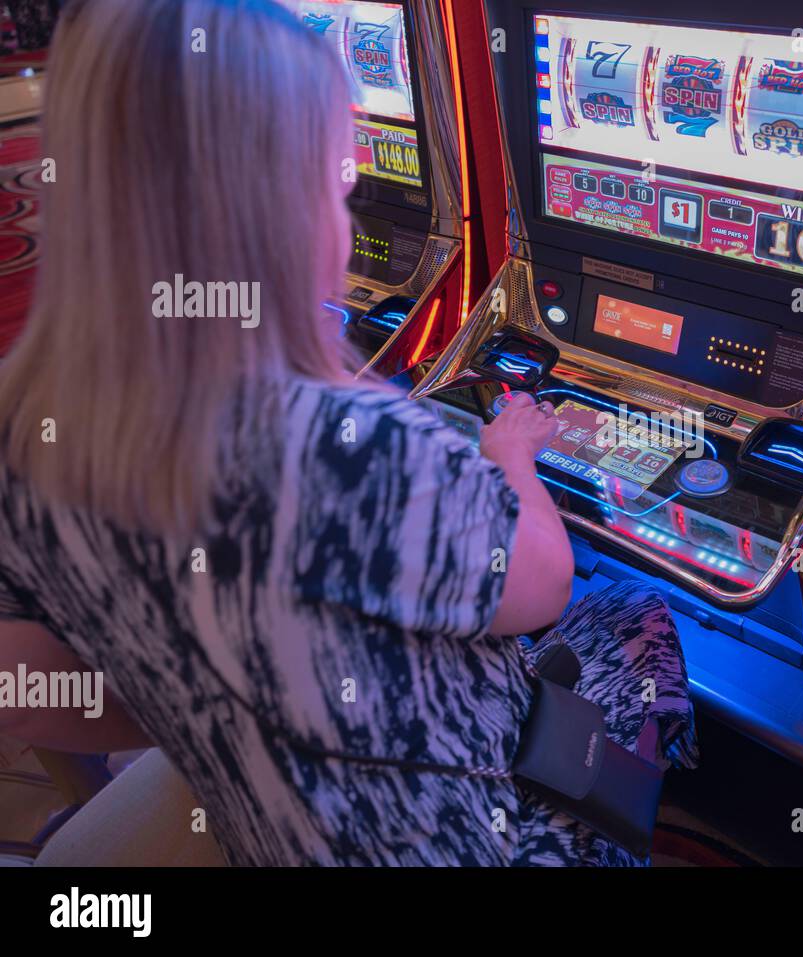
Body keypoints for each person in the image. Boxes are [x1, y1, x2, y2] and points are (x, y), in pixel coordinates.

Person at [0, 0, 695, 866]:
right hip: (473, 844)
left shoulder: (29, 437)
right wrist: (507, 454)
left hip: (281, 839)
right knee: (634, 611)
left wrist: (217, 690)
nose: (350, 223)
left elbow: (19, 689)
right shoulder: (346, 448)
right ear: (272, 218)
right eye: (336, 190)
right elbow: (545, 582)